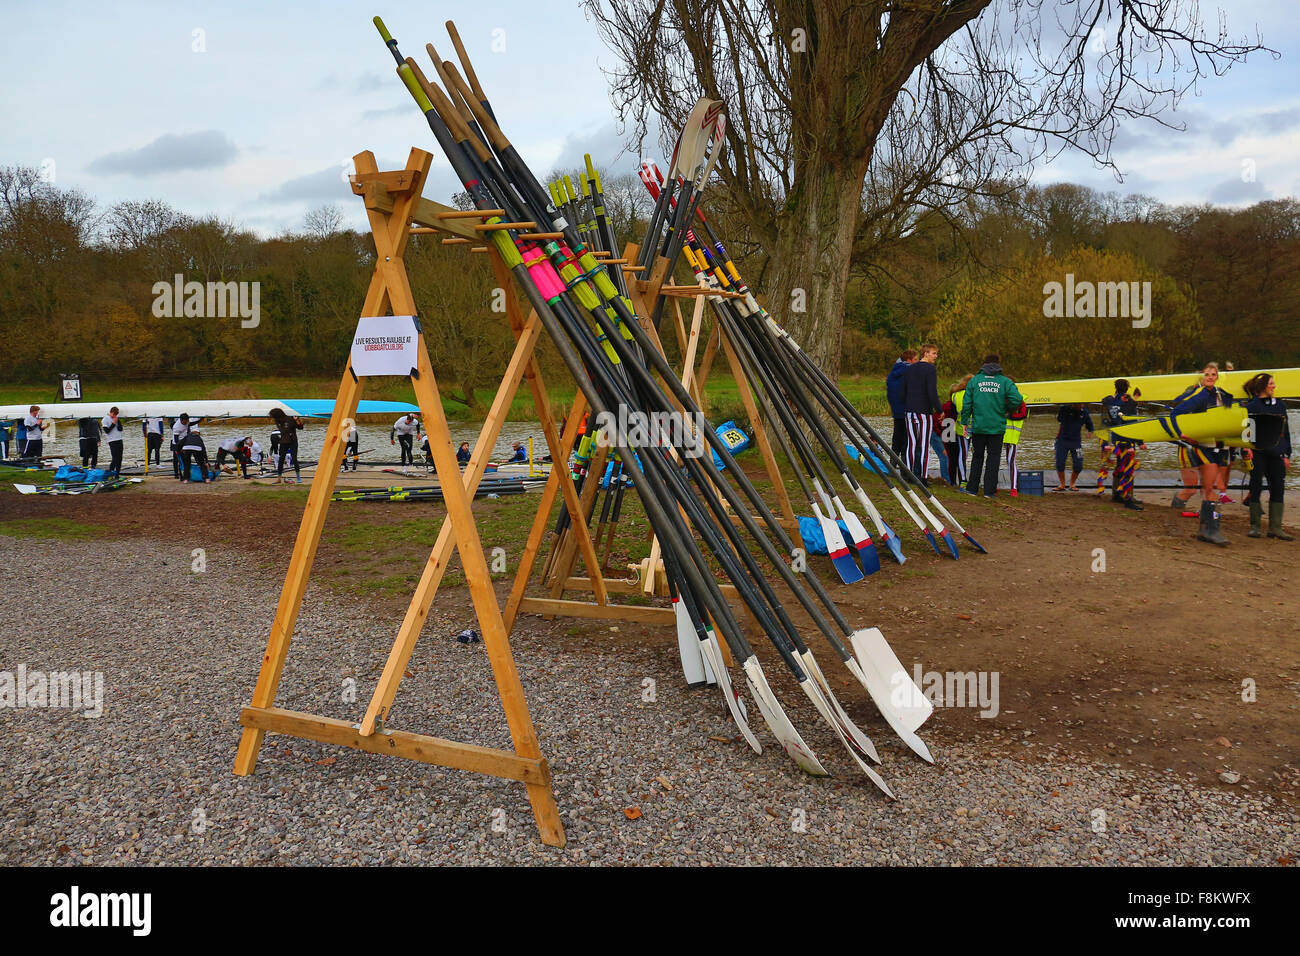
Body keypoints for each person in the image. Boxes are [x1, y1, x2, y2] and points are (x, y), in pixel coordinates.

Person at [1171, 363, 1234, 544]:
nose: (1210, 377)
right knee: (1209, 487)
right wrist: (1181, 433)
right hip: (1203, 446)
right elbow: (1176, 412)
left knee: (1218, 489)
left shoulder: (1223, 395)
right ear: (1202, 376)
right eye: (1207, 374)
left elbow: (1232, 417)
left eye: (1213, 374)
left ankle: (1206, 529)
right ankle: (1210, 530)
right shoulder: (1199, 396)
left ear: (1217, 377)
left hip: (1222, 447)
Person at [960, 354, 1022, 497]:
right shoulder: (1005, 382)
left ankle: (972, 489)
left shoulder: (975, 381)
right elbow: (1017, 399)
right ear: (998, 364)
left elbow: (967, 403)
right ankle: (989, 491)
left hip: (979, 426)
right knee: (993, 458)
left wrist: (964, 421)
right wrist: (1007, 410)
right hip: (997, 426)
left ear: (984, 364)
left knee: (977, 457)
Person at [1242, 372, 1292, 540]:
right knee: (1255, 486)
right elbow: (1246, 432)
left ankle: (1275, 528)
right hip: (1257, 452)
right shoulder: (1251, 407)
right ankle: (1255, 527)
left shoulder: (1280, 406)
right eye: (1271, 384)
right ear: (1263, 387)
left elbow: (1285, 432)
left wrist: (1287, 454)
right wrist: (1246, 449)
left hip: (1277, 453)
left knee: (1278, 487)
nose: (1274, 386)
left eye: (1273, 383)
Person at [901, 344, 942, 485]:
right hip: (924, 412)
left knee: (911, 444)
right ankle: (923, 477)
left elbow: (903, 390)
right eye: (934, 353)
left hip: (909, 411)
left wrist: (906, 405)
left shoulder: (910, 368)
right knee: (924, 445)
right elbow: (932, 392)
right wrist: (939, 410)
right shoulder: (930, 369)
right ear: (926, 353)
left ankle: (909, 474)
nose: (936, 356)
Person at [1100, 380, 1145, 511]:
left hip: (1115, 439)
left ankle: (1117, 494)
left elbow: (1105, 401)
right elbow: (1134, 423)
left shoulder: (1109, 401)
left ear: (1115, 388)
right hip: (1127, 440)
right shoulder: (1130, 402)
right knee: (1128, 469)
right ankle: (1128, 498)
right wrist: (1140, 442)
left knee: (1120, 466)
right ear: (1127, 389)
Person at [1053, 403, 1094, 491]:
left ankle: (1072, 484)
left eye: (1083, 404)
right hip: (1062, 441)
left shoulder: (1084, 412)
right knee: (1060, 462)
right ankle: (1062, 484)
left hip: (1076, 442)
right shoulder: (1065, 409)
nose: (1082, 406)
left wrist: (1090, 431)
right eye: (1080, 404)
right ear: (1074, 403)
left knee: (1079, 464)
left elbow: (1089, 424)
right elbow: (1059, 419)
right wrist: (1067, 408)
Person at [886, 349, 918, 456]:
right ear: (909, 360)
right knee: (906, 440)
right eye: (915, 359)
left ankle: (892, 464)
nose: (917, 362)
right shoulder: (910, 372)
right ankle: (905, 469)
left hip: (896, 411)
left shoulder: (893, 373)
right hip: (907, 411)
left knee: (896, 437)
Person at [941, 376, 971, 487]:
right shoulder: (949, 406)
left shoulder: (948, 404)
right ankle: (955, 481)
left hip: (950, 431)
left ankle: (952, 481)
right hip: (951, 431)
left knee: (954, 458)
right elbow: (946, 422)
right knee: (957, 457)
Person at [1002, 398, 1028, 497]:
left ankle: (1014, 488)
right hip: (998, 433)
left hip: (1011, 437)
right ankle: (992, 486)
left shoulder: (1020, 402)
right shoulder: (1000, 397)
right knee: (995, 460)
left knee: (1011, 461)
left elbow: (1023, 414)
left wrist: (1010, 416)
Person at [270, 408, 303, 483]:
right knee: (281, 459)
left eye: (273, 416)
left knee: (294, 459)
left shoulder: (290, 418)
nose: (273, 418)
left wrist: (297, 420)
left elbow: (301, 427)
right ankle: (279, 478)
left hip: (293, 441)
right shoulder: (277, 421)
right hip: (283, 441)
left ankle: (298, 477)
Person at [101, 407, 125, 476]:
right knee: (115, 458)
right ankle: (111, 472)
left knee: (120, 458)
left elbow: (120, 429)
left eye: (116, 415)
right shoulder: (105, 419)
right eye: (114, 414)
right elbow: (107, 431)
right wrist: (113, 423)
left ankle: (117, 473)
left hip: (119, 439)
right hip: (112, 440)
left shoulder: (116, 418)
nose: (115, 416)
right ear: (111, 412)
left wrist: (118, 422)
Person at [171, 414, 193, 479]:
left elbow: (190, 424)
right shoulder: (176, 427)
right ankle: (176, 474)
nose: (186, 422)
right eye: (185, 421)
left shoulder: (186, 422)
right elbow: (176, 439)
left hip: (183, 441)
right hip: (176, 443)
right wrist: (178, 450)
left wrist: (199, 421)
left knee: (184, 459)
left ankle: (183, 475)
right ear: (181, 420)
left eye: (187, 421)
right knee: (177, 460)